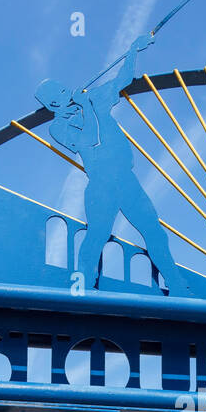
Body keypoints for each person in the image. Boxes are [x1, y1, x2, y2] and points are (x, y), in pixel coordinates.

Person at [36, 33, 189, 297]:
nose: (67, 92)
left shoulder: (92, 99)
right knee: (97, 234)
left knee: (153, 228)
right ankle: (84, 285)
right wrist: (89, 108)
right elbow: (89, 140)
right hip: (101, 185)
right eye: (60, 93)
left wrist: (133, 51)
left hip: (125, 179)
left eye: (64, 88)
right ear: (53, 104)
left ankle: (176, 284)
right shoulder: (58, 126)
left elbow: (122, 80)